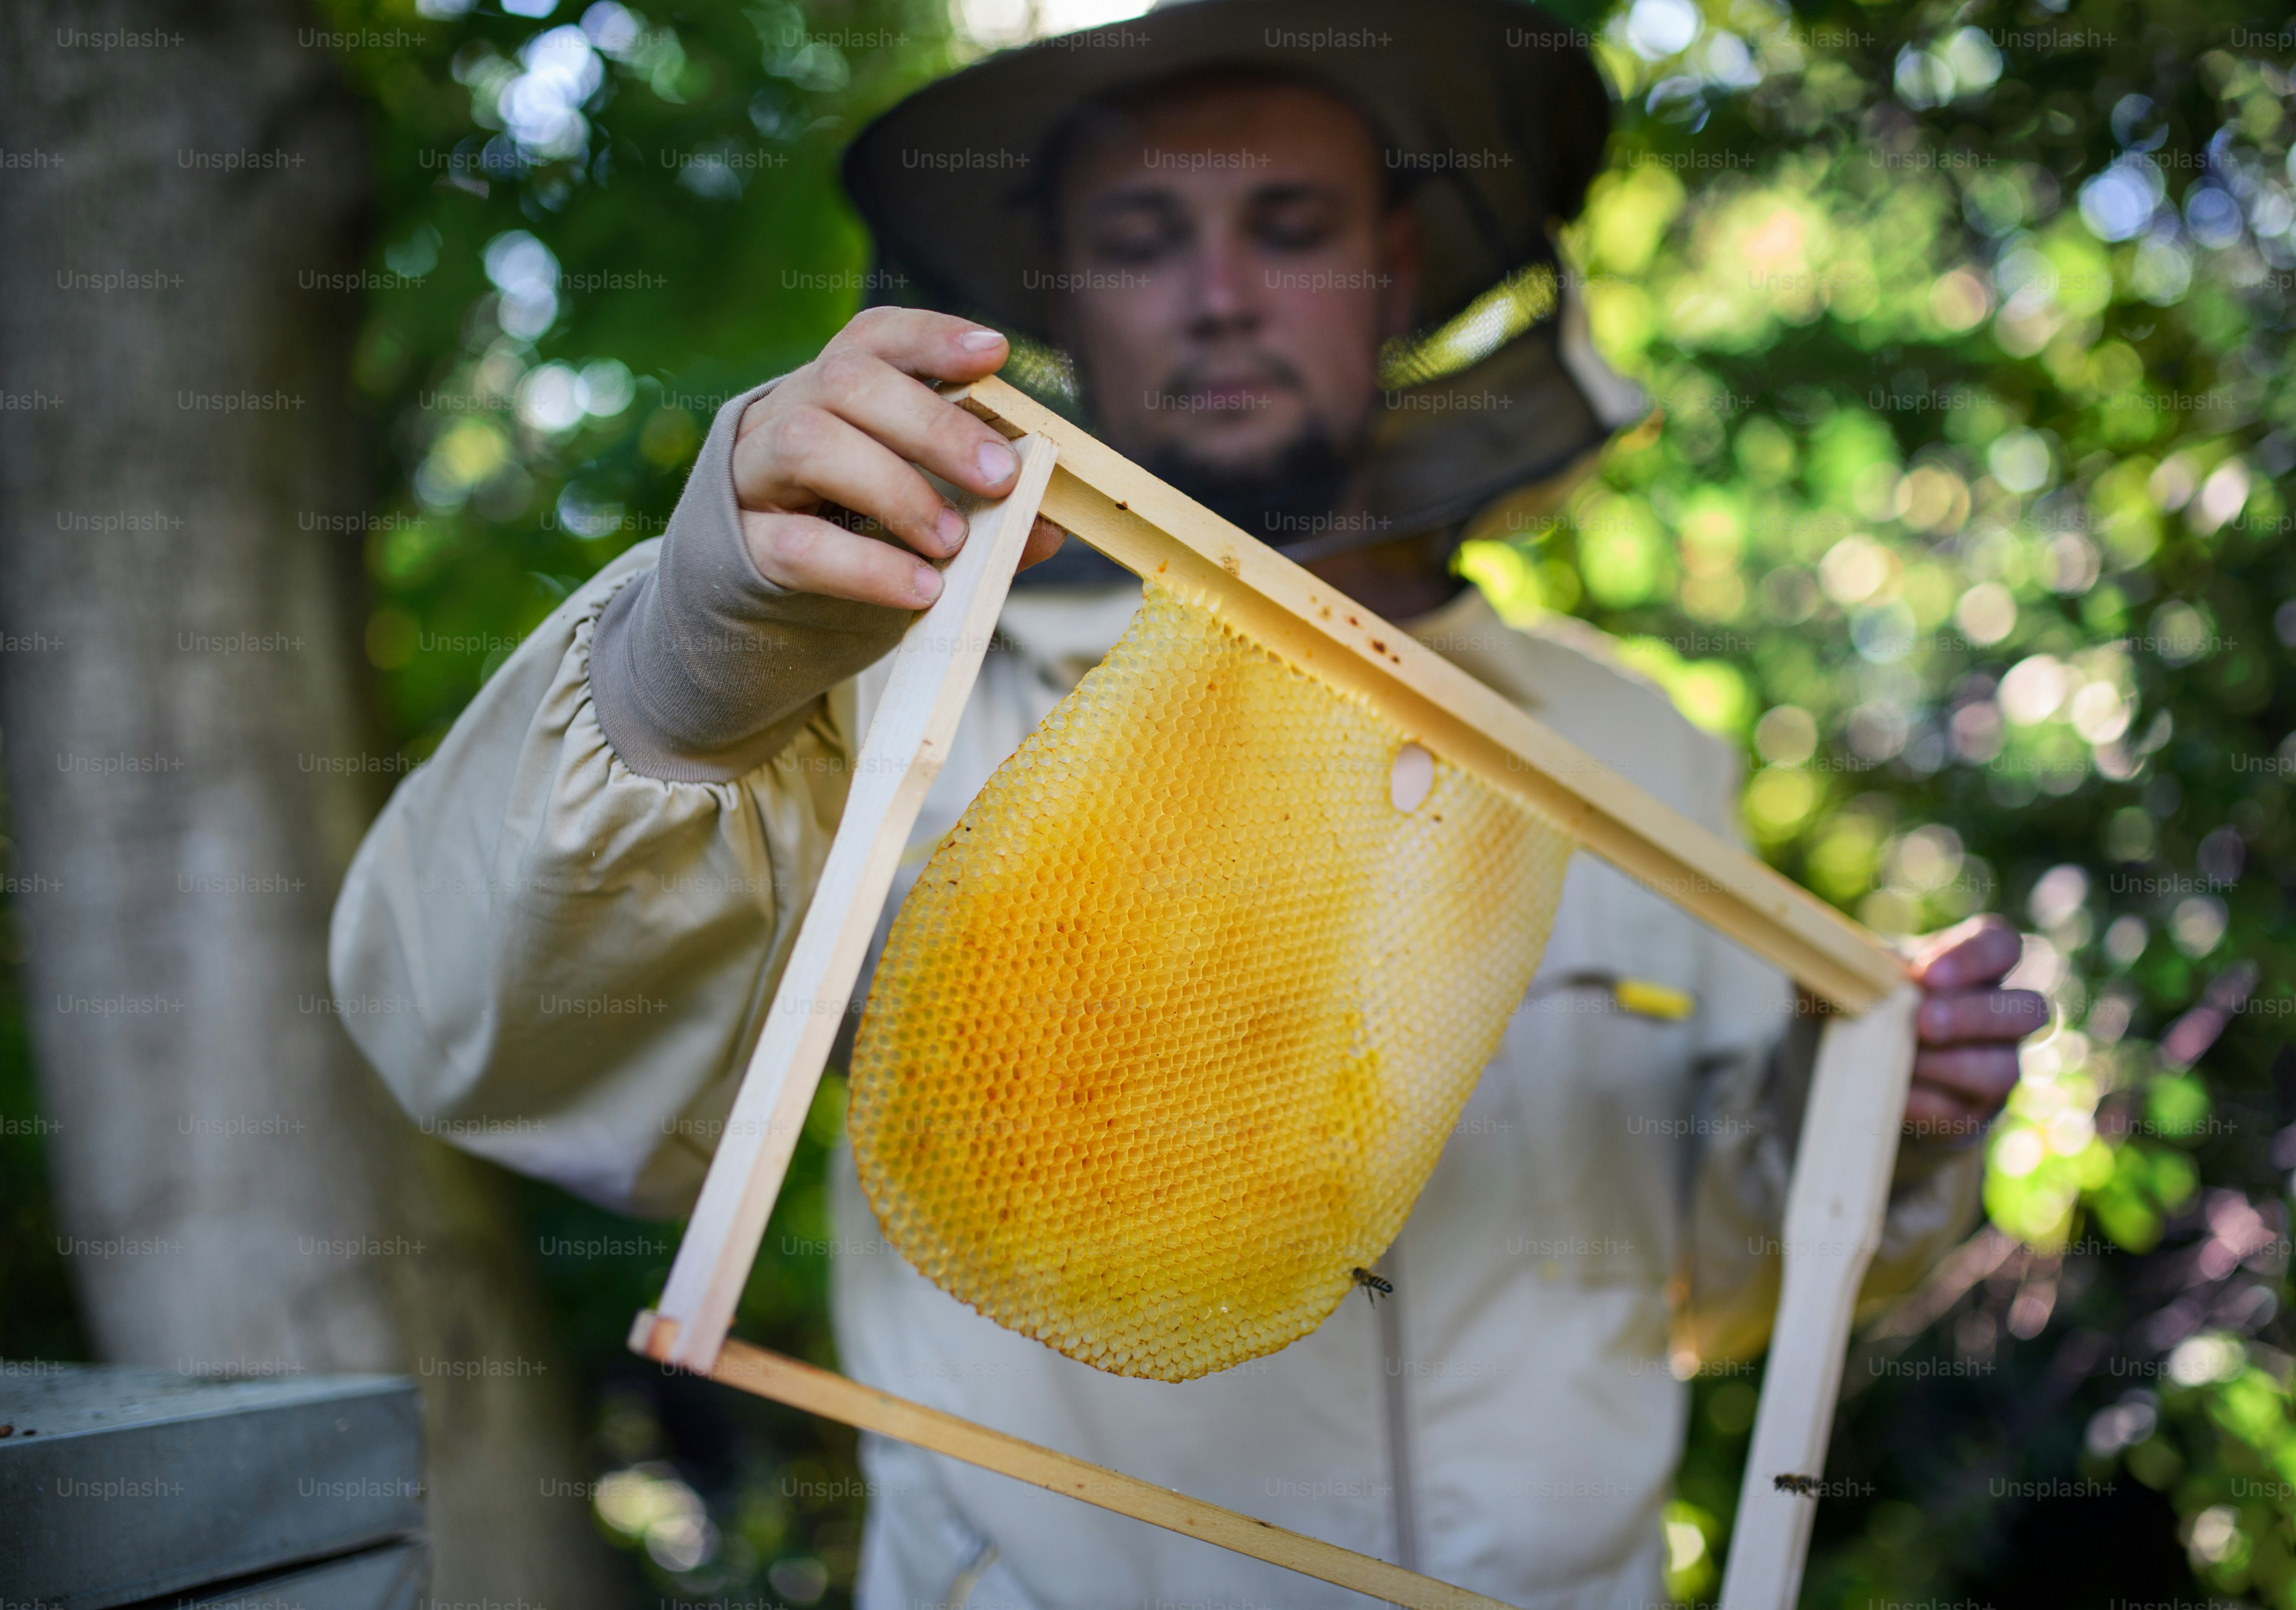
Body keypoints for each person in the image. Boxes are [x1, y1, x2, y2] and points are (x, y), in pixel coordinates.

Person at [333, 3, 2044, 1603]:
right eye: (1144, 244)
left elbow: (1709, 1286)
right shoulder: (877, 685)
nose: (1218, 295)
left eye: (1288, 227)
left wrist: (1862, 1131)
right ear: (1063, 298)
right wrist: (678, 673)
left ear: (1394, 267)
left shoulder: (1633, 745)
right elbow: (483, 1037)